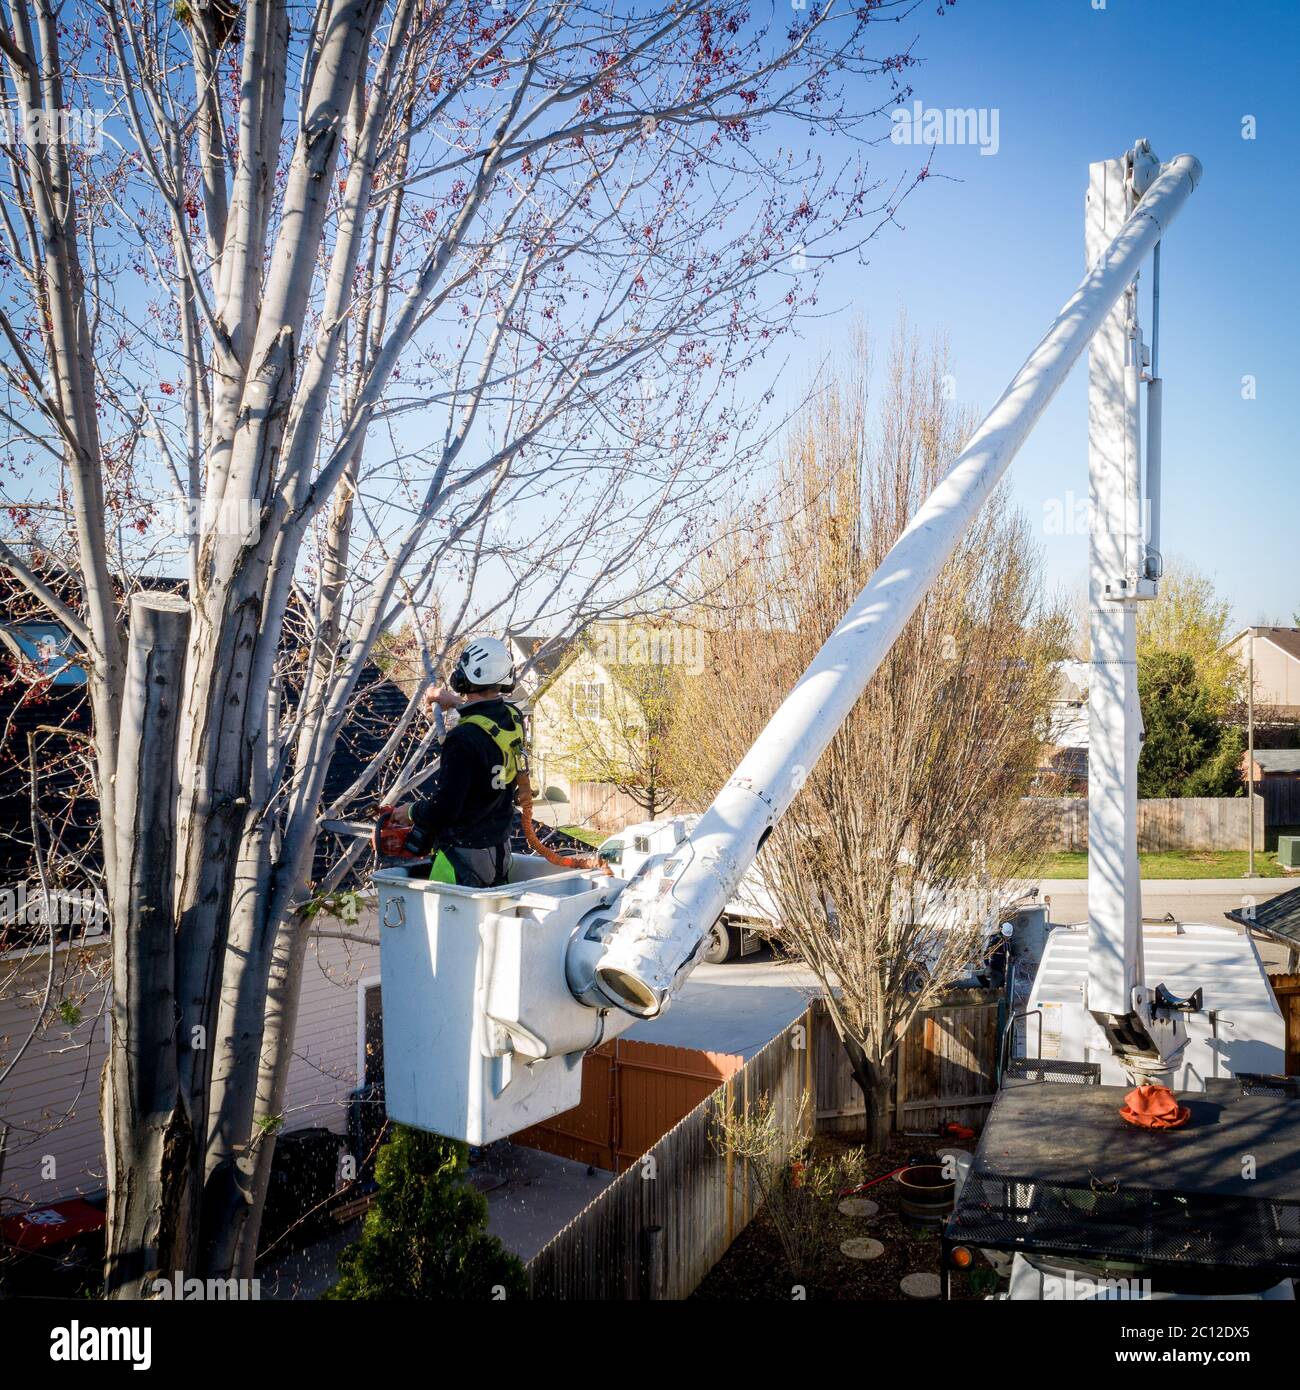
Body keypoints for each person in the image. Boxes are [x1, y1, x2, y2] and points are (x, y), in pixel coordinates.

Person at [389, 637, 525, 887]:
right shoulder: (513, 719)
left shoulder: (461, 739)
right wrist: (453, 704)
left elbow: (446, 809)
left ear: (470, 674)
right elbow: (485, 720)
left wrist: (410, 812)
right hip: (498, 852)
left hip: (462, 856)